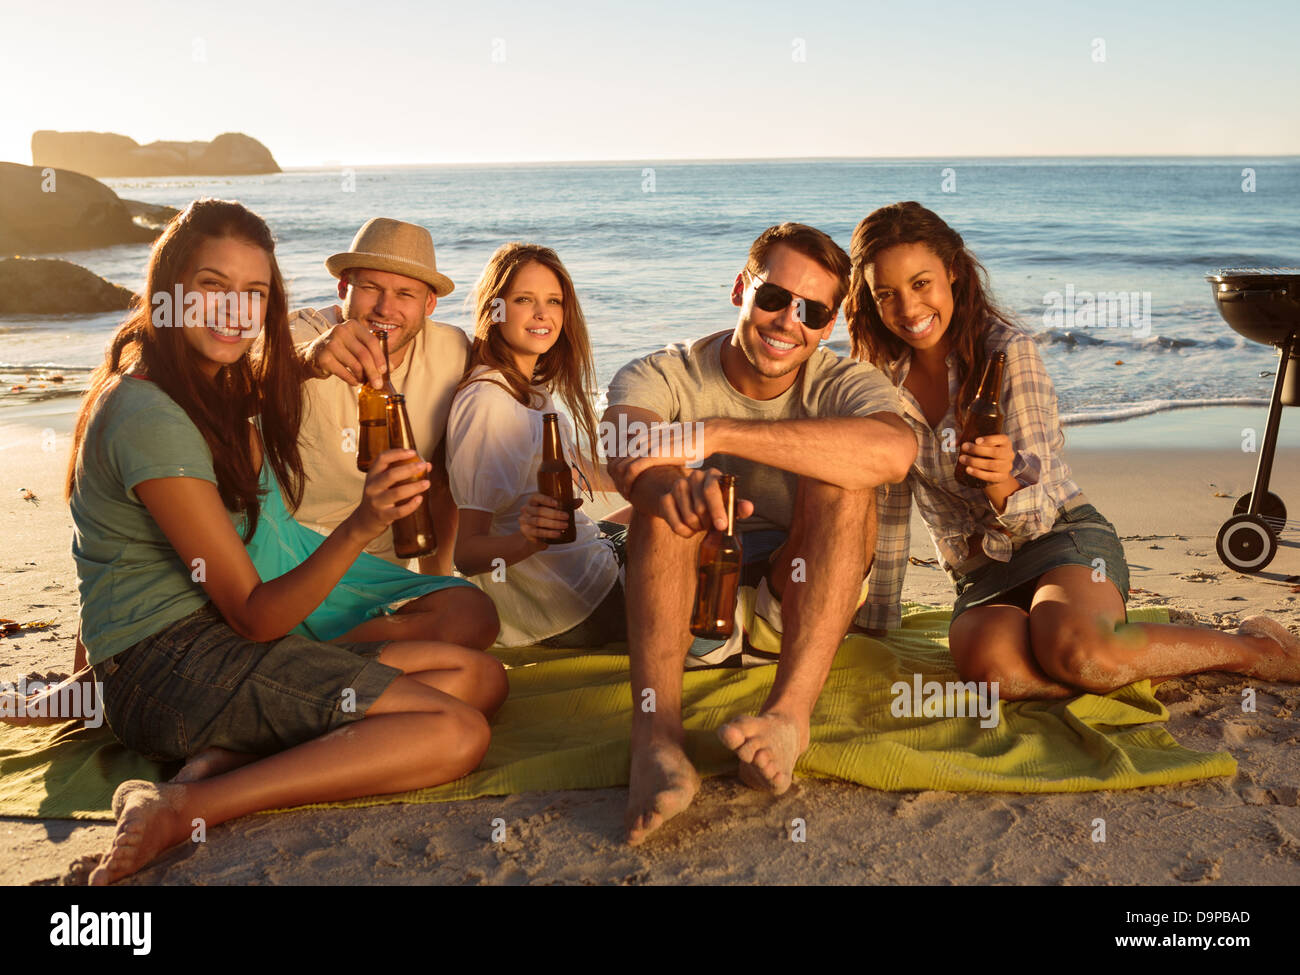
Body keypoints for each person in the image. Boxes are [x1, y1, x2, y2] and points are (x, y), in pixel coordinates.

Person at [68, 200, 507, 885]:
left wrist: (308, 359)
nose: (233, 311)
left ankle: (232, 754)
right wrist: (365, 523)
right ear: (170, 289)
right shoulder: (148, 413)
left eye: (253, 293)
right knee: (458, 733)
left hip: (216, 638)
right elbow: (256, 613)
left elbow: (258, 389)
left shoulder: (205, 380)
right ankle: (187, 805)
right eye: (212, 287)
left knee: (481, 677)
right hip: (169, 669)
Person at [845, 200, 1300, 700]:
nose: (909, 309)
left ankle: (1256, 650)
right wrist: (875, 622)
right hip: (980, 576)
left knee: (1082, 654)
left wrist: (1000, 481)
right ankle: (1103, 656)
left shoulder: (1006, 351)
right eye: (887, 293)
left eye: (921, 283)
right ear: (869, 298)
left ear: (952, 271)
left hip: (1062, 541)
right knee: (998, 676)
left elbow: (1038, 514)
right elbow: (886, 505)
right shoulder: (875, 381)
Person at [603, 222, 916, 845]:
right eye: (773, 298)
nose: (786, 322)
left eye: (812, 310)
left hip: (792, 607)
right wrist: (675, 485)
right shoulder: (663, 372)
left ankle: (788, 719)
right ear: (741, 288)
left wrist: (717, 434)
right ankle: (656, 742)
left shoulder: (842, 381)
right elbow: (623, 444)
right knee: (673, 494)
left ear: (829, 324)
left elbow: (895, 452)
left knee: (845, 474)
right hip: (692, 611)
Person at [446, 242, 631, 648]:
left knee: (665, 500)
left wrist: (643, 475)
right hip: (575, 609)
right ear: (494, 309)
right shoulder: (488, 403)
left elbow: (572, 466)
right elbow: (468, 554)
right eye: (524, 299)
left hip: (591, 565)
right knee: (704, 538)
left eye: (553, 301)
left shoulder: (525, 388)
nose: (542, 314)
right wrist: (530, 540)